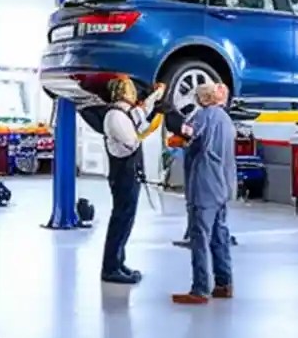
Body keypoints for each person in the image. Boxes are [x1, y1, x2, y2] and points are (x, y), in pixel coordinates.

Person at [172, 83, 237, 305]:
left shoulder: (203, 116)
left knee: (199, 238)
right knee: (220, 236)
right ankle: (224, 283)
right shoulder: (226, 120)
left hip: (203, 185)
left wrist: (175, 128)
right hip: (222, 185)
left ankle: (199, 289)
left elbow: (187, 135)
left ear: (203, 99)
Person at [101, 76, 165, 285]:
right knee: (120, 220)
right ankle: (111, 268)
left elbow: (143, 110)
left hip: (130, 174)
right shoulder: (115, 116)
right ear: (125, 92)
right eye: (132, 89)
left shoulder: (125, 113)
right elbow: (131, 142)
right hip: (122, 176)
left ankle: (119, 262)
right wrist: (147, 131)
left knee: (127, 220)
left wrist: (157, 94)